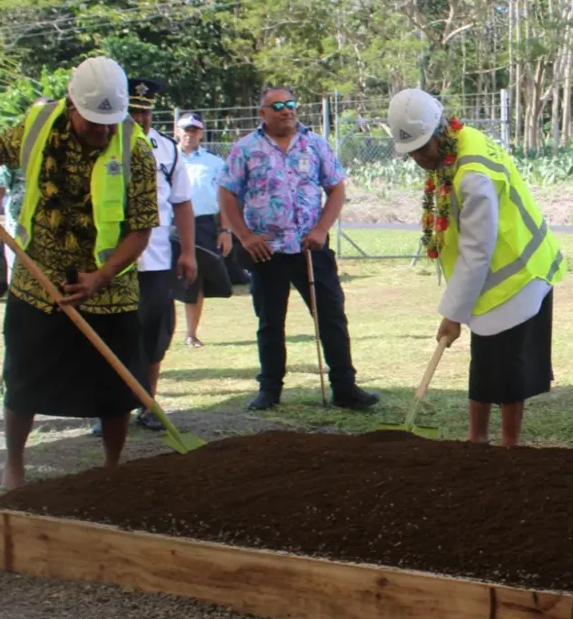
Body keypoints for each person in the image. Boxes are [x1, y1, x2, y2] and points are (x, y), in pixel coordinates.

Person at [0, 57, 158, 489]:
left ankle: (112, 468)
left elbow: (141, 230)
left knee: (114, 385)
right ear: (72, 105)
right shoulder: (40, 122)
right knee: (22, 378)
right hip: (36, 279)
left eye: (110, 123)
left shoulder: (135, 149)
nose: (103, 132)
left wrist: (102, 275)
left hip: (107, 287)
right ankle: (14, 468)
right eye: (94, 123)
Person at [389, 89, 565, 446]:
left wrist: (453, 315)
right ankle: (477, 439)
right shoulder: (456, 147)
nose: (420, 159)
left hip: (520, 273)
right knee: (484, 362)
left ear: (441, 132)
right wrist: (457, 309)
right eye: (412, 153)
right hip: (492, 280)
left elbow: (476, 250)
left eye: (423, 149)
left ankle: (509, 446)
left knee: (510, 368)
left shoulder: (472, 176)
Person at [217, 86, 378, 411]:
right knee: (270, 322)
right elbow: (227, 193)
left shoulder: (315, 144)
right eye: (276, 106)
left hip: (310, 248)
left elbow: (336, 188)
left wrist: (321, 229)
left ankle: (345, 388)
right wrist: (245, 236)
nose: (286, 111)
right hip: (266, 252)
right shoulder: (245, 149)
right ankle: (270, 389)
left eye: (290, 104)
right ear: (263, 113)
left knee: (331, 318)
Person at [113, 77, 195, 431]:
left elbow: (182, 203)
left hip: (157, 259)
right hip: (113, 262)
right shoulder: (103, 145)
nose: (141, 118)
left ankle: (147, 405)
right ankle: (111, 407)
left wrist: (189, 252)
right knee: (114, 334)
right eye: (133, 111)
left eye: (146, 112)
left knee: (154, 335)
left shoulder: (166, 149)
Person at [174, 111, 231, 346]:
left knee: (194, 279)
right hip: (168, 224)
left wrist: (225, 230)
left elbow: (225, 199)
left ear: (201, 133)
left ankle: (191, 333)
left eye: (194, 130)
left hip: (203, 224)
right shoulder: (166, 157)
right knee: (161, 278)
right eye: (186, 129)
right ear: (177, 131)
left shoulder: (214, 162)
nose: (190, 134)